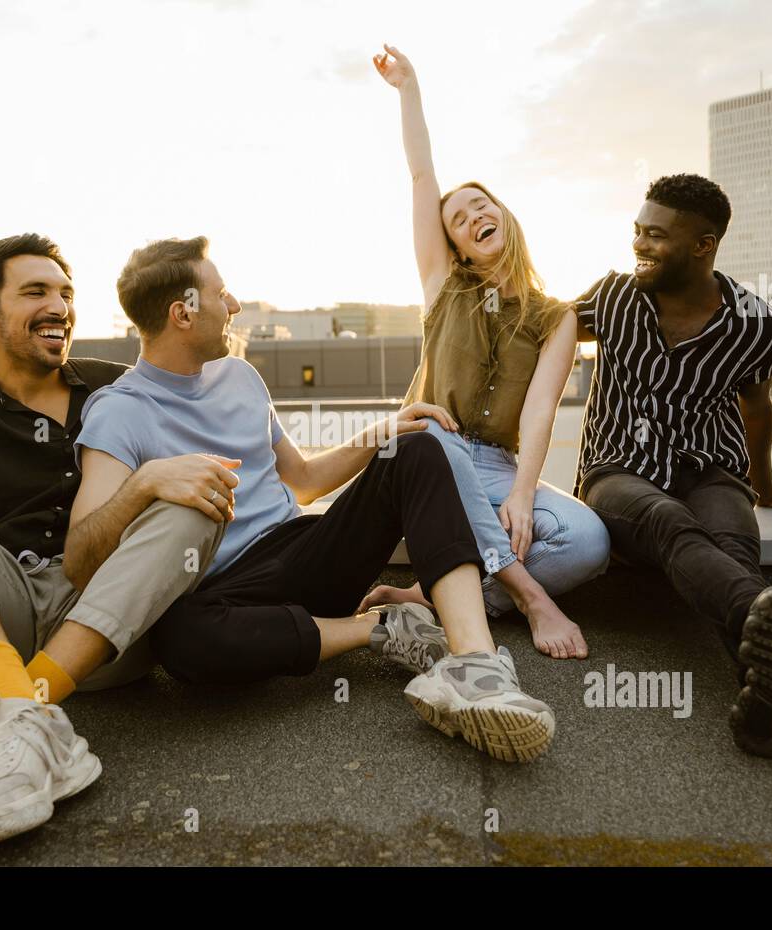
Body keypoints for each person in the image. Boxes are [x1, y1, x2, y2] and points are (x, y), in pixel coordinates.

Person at [68, 236, 557, 763]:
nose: (233, 305)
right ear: (182, 313)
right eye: (221, 294)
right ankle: (379, 629)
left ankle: (476, 665)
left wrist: (383, 432)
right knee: (181, 644)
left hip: (303, 552)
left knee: (416, 449)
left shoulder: (240, 375)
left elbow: (301, 480)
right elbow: (80, 558)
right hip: (224, 594)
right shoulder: (118, 411)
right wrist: (143, 484)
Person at [0, 233, 239, 851]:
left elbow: (226, 421)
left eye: (66, 293)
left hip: (111, 622)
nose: (59, 305)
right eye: (35, 292)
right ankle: (25, 721)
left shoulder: (118, 388)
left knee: (196, 498)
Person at [571, 174, 772, 757]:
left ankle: (767, 710)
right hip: (617, 471)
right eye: (637, 230)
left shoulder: (758, 325)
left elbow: (757, 411)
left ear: (702, 244)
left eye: (655, 236)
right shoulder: (611, 298)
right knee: (669, 523)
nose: (639, 244)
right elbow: (534, 340)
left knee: (732, 546)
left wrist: (762, 490)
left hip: (713, 467)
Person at [357, 43, 610, 662]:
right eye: (458, 222)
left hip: (496, 464)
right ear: (458, 250)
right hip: (426, 455)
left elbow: (539, 412)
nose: (471, 219)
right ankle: (528, 598)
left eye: (480, 207)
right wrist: (409, 88)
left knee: (588, 540)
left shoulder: (556, 317)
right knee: (436, 440)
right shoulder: (444, 288)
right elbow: (422, 177)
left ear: (503, 215)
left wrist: (522, 492)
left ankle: (432, 597)